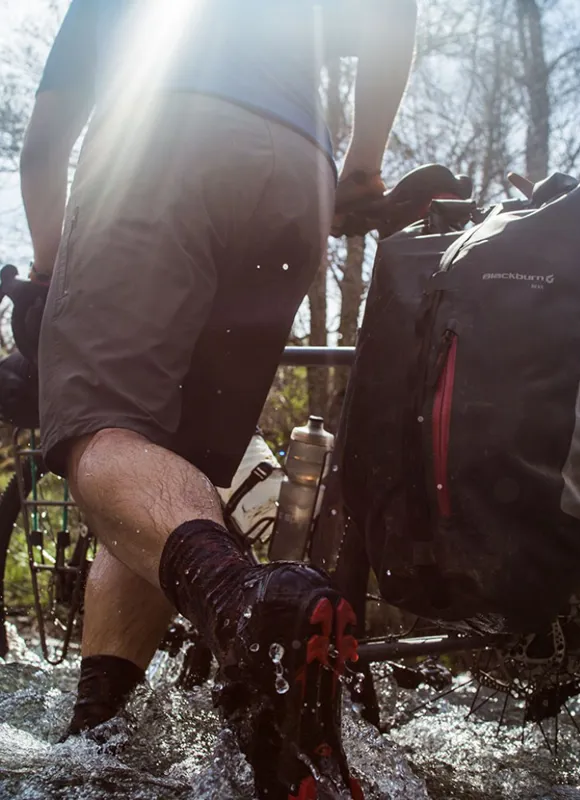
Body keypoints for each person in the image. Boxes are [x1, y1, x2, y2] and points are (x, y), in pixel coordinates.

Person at [18, 0, 418, 796]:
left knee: (98, 434)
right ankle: (99, 733)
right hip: (296, 176)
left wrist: (51, 270)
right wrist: (362, 162)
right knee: (164, 486)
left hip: (159, 147)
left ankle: (249, 606)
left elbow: (44, 145)